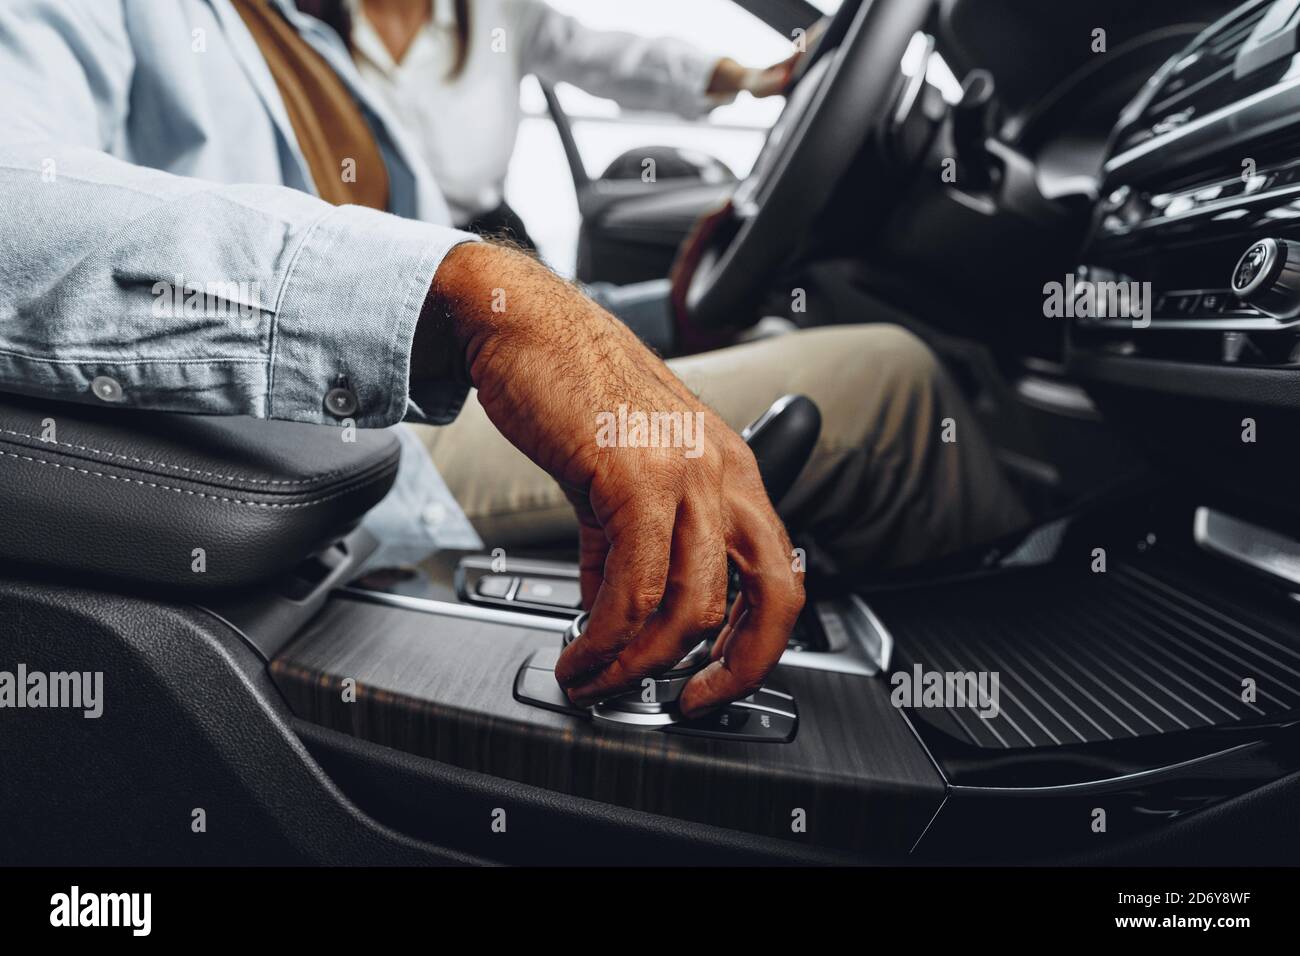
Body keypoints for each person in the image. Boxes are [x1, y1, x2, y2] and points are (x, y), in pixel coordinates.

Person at [0, 0, 1025, 718]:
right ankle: (996, 719)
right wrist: (481, 304)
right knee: (890, 381)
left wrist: (627, 313)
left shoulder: (310, 38)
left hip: (407, 398)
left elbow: (598, 65)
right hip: (350, 434)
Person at [301, 0, 801, 243]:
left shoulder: (499, 12)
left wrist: (746, 77)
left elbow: (609, 58)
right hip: (351, 252)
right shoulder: (291, 26)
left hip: (484, 239)